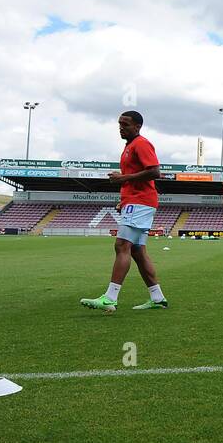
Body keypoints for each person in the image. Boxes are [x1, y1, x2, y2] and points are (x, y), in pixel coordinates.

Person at [80, 111, 168, 312]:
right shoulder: (129, 146)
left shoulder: (141, 143)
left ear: (137, 126)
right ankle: (157, 297)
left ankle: (110, 298)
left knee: (121, 245)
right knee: (137, 251)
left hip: (140, 202)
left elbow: (154, 171)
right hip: (136, 202)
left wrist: (123, 179)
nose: (121, 127)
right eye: (119, 124)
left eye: (125, 124)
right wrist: (125, 198)